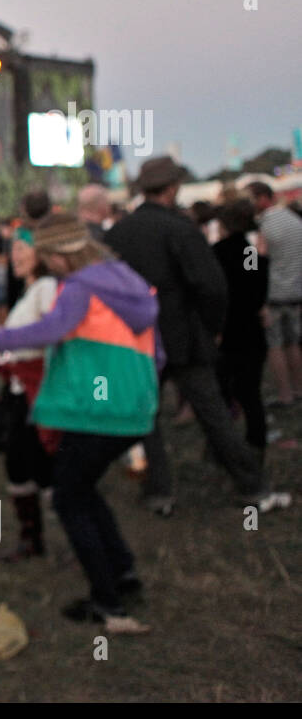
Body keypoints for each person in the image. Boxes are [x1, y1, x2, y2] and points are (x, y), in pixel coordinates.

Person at [0, 216, 158, 632]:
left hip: (95, 408)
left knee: (69, 498)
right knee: (83, 490)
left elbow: (51, 330)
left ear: (60, 255)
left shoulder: (79, 286)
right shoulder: (124, 277)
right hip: (132, 403)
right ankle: (123, 574)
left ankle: (108, 604)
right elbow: (152, 340)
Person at [106, 157, 290, 514]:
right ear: (172, 188)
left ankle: (158, 491)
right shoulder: (179, 229)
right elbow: (211, 285)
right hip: (184, 337)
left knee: (145, 418)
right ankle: (251, 486)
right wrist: (212, 327)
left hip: (139, 338)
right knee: (213, 413)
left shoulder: (120, 232)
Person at [0, 229, 59, 561]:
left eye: (21, 248)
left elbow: (54, 332)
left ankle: (60, 539)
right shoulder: (30, 290)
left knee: (36, 465)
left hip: (34, 393)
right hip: (19, 390)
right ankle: (36, 539)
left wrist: (14, 353)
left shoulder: (46, 288)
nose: (14, 255)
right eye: (12, 248)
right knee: (24, 465)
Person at [211, 199, 269, 458]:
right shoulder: (249, 253)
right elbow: (255, 290)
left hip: (226, 333)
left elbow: (213, 292)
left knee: (224, 392)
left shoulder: (217, 252)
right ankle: (257, 441)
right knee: (250, 392)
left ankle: (225, 447)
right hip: (251, 331)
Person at [245, 181, 302, 407]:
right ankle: (299, 389)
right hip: (296, 291)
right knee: (294, 343)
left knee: (276, 345)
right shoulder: (294, 220)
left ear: (261, 199)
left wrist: (246, 251)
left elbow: (253, 263)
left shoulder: (263, 226)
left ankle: (285, 394)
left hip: (274, 295)